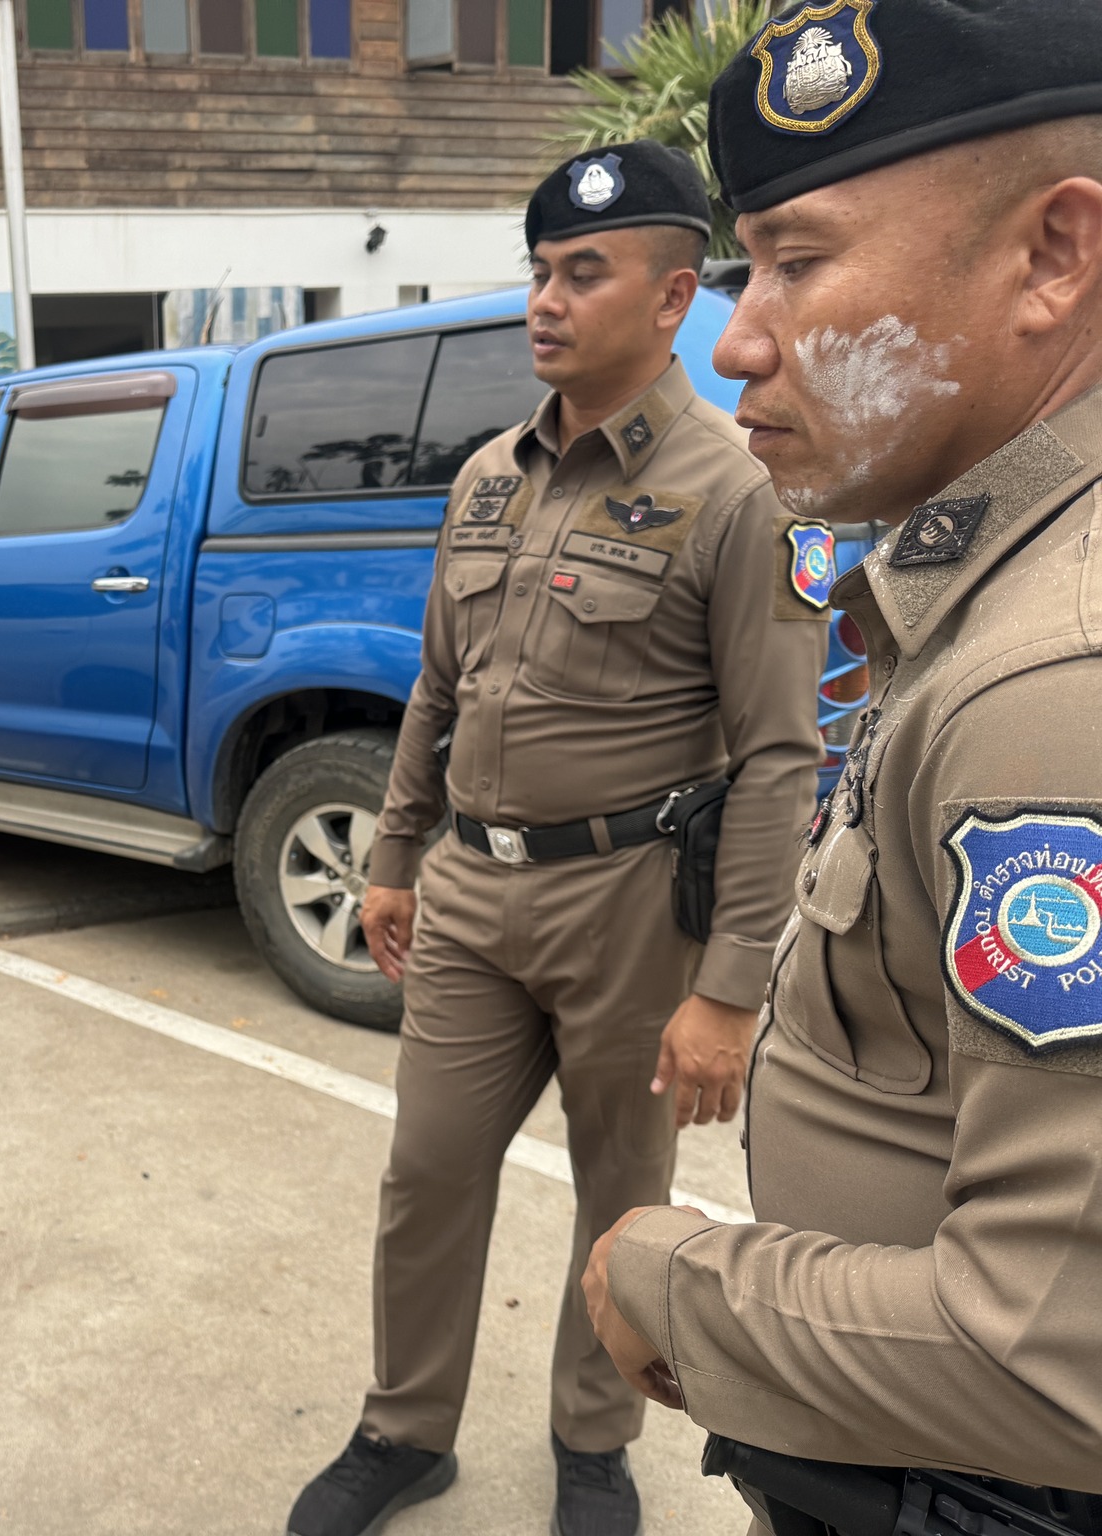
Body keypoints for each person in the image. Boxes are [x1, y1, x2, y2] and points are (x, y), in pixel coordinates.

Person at [581, 3, 1102, 1531]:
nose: (736, 339)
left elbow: (1060, 1354)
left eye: (798, 263)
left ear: (1053, 256)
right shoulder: (995, 585)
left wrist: (671, 1280)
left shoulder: (1051, 679)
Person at [287, 140, 826, 1536]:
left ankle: (594, 1443)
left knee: (619, 1192)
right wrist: (394, 856)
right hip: (471, 891)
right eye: (538, 271)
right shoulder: (486, 477)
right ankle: (404, 1429)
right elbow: (439, 686)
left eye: (583, 273)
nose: (545, 301)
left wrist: (728, 989)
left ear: (673, 296)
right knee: (426, 1173)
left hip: (630, 905)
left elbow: (778, 757)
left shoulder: (739, 491)